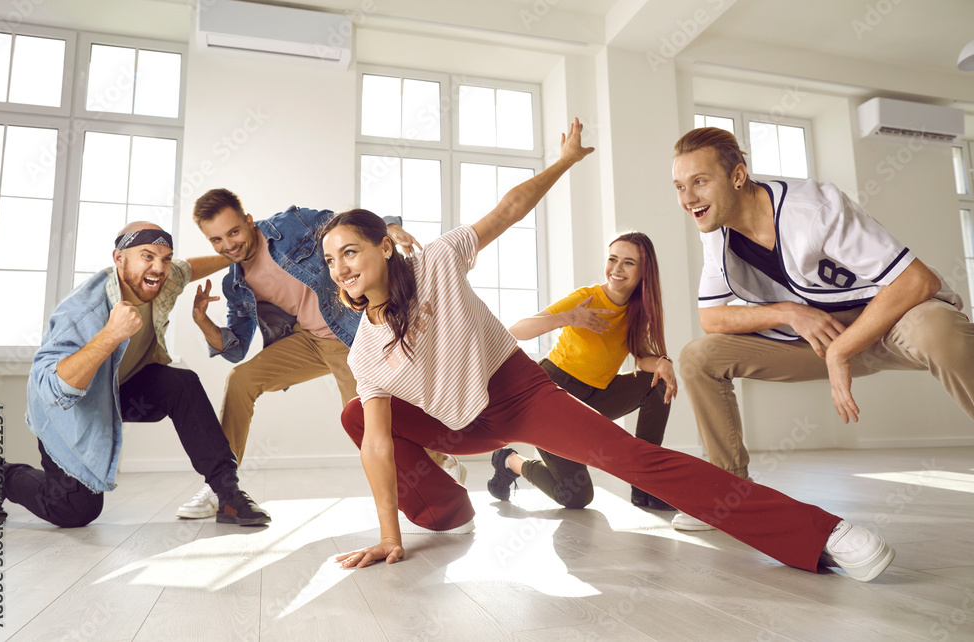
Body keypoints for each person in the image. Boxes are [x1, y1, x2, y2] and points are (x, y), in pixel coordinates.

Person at [322, 118, 895, 583]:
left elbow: (510, 208)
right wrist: (389, 537)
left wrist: (566, 161)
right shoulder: (365, 351)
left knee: (632, 459)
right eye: (331, 260)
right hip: (460, 426)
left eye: (350, 251)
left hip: (520, 395)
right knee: (356, 413)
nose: (341, 268)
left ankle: (821, 534)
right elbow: (376, 440)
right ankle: (450, 510)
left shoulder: (436, 263)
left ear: (385, 246)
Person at [671, 126, 974, 530]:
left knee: (939, 332)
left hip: (892, 318)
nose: (688, 198)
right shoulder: (716, 231)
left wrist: (841, 350)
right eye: (679, 186)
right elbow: (712, 319)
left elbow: (917, 281)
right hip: (819, 337)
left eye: (700, 182)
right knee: (698, 358)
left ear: (738, 176)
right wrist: (789, 313)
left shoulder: (812, 208)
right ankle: (730, 495)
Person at [178, 190, 464, 519]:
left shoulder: (291, 225)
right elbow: (236, 347)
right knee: (240, 379)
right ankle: (221, 487)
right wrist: (202, 322)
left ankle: (439, 466)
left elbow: (350, 227)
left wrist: (388, 226)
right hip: (307, 341)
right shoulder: (235, 283)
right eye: (216, 240)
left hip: (348, 333)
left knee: (365, 424)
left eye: (233, 232)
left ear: (248, 220)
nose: (228, 245)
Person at [0, 223, 269, 528]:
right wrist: (111, 335)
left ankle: (228, 494)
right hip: (69, 408)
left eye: (165, 257)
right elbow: (51, 388)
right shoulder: (82, 311)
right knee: (75, 511)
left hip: (119, 389)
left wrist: (235, 254)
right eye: (147, 256)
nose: (159, 266)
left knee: (182, 383)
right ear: (118, 258)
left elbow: (187, 268)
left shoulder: (160, 279)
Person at [491, 232, 677, 511]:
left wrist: (662, 362)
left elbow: (639, 356)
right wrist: (570, 317)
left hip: (595, 398)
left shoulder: (638, 309)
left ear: (644, 271)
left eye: (628, 263)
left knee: (657, 383)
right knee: (576, 497)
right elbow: (517, 330)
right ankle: (509, 461)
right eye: (613, 259)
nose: (616, 269)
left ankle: (645, 484)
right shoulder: (587, 298)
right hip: (551, 398)